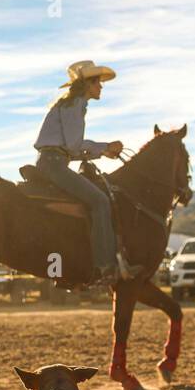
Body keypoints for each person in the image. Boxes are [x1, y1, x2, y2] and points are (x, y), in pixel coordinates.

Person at [34, 60, 134, 283]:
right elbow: (72, 146)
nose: (101, 87)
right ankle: (104, 266)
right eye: (97, 82)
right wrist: (105, 147)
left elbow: (70, 148)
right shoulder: (74, 105)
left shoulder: (70, 105)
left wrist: (102, 151)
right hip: (54, 164)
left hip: (54, 161)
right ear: (87, 84)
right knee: (100, 202)